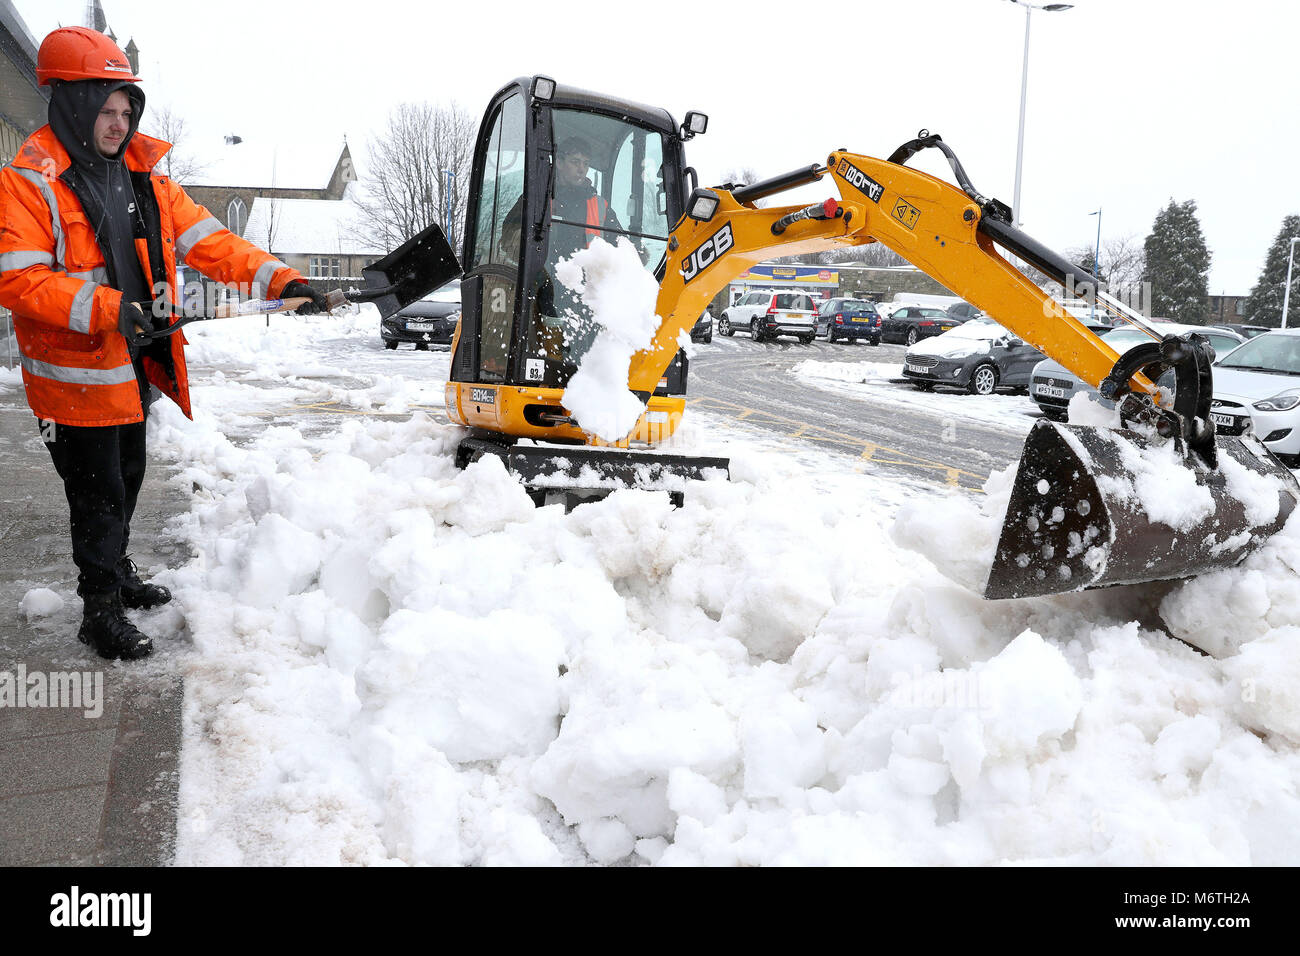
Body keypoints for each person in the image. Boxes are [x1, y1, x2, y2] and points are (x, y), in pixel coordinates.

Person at [0, 27, 327, 661]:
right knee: (95, 497)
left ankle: (117, 573)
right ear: (73, 103)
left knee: (127, 478)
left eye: (128, 110)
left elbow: (213, 243)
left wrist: (283, 277)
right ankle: (98, 610)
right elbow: (19, 281)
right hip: (75, 379)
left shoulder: (145, 177)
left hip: (134, 367)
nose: (119, 123)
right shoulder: (28, 182)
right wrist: (110, 308)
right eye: (108, 109)